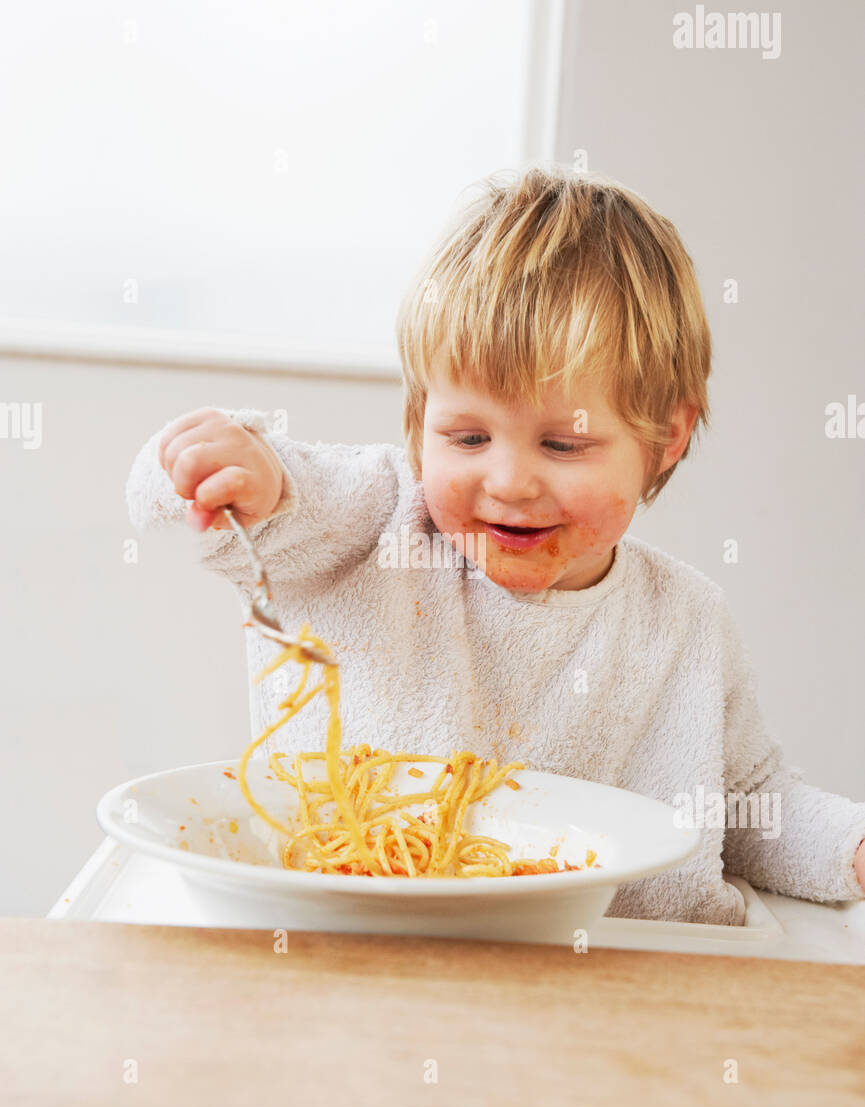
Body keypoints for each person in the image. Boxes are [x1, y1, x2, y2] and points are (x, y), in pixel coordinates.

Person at [126, 165, 865, 924]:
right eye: (467, 436)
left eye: (562, 445)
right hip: (362, 946)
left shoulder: (683, 619)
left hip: (622, 980)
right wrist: (227, 467)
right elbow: (225, 502)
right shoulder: (366, 523)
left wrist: (848, 846)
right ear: (418, 427)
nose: (508, 481)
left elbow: (744, 805)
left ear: (664, 438)